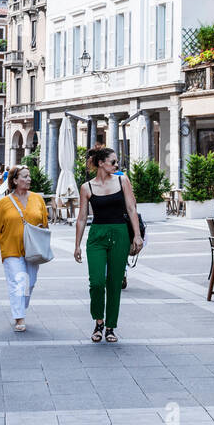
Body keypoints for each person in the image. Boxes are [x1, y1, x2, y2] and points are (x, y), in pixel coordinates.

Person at [74, 147, 143, 343]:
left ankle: (110, 327)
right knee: (96, 282)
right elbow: (81, 218)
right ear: (101, 163)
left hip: (120, 234)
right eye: (113, 162)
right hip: (97, 235)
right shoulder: (87, 187)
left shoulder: (123, 181)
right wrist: (77, 245)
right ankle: (98, 321)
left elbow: (131, 208)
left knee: (114, 282)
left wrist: (137, 235)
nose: (116, 165)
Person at [0, 165, 48, 332]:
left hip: (33, 249)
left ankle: (21, 306)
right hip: (11, 249)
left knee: (30, 283)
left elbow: (44, 225)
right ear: (14, 180)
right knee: (18, 282)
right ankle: (19, 317)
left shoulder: (37, 199)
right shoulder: (4, 203)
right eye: (24, 176)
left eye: (29, 176)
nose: (28, 179)